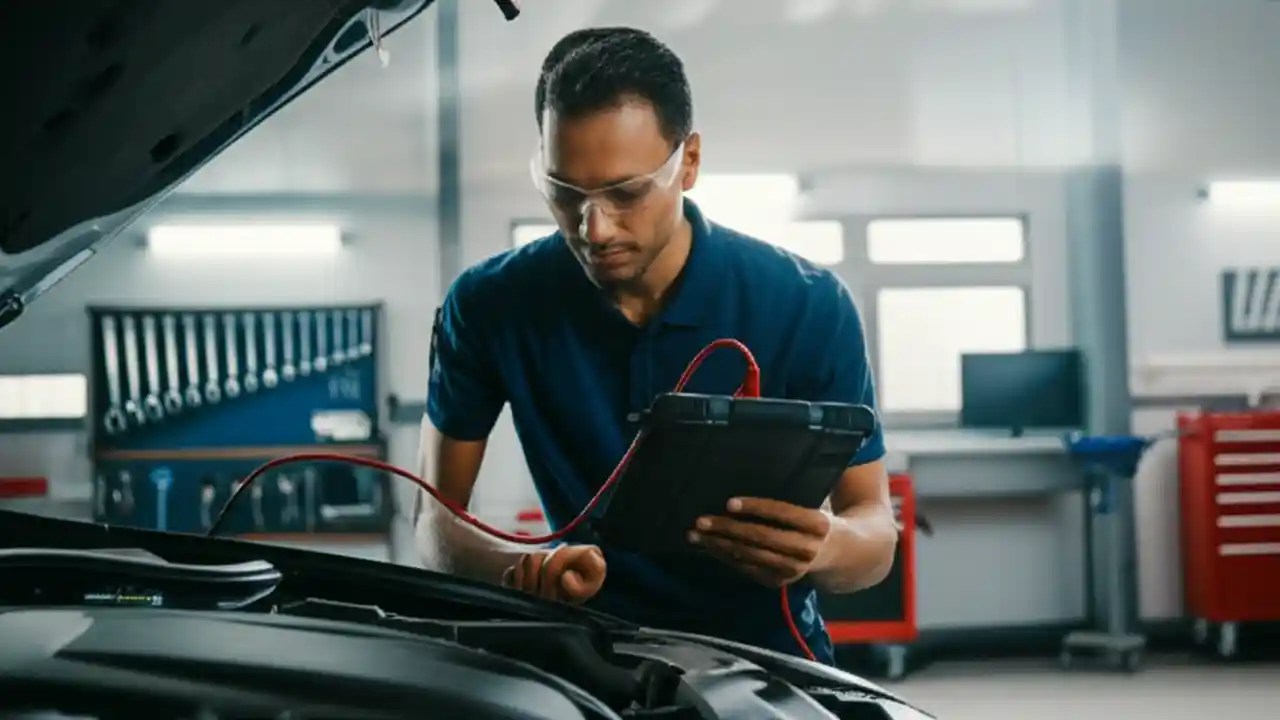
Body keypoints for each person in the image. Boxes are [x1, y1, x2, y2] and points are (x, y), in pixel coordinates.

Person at [415, 26, 897, 665]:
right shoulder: (487, 306)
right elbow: (434, 525)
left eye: (625, 193)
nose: (595, 228)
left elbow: (875, 535)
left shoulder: (807, 304)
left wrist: (826, 547)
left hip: (766, 664)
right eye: (565, 193)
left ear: (688, 162)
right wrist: (518, 565)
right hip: (586, 658)